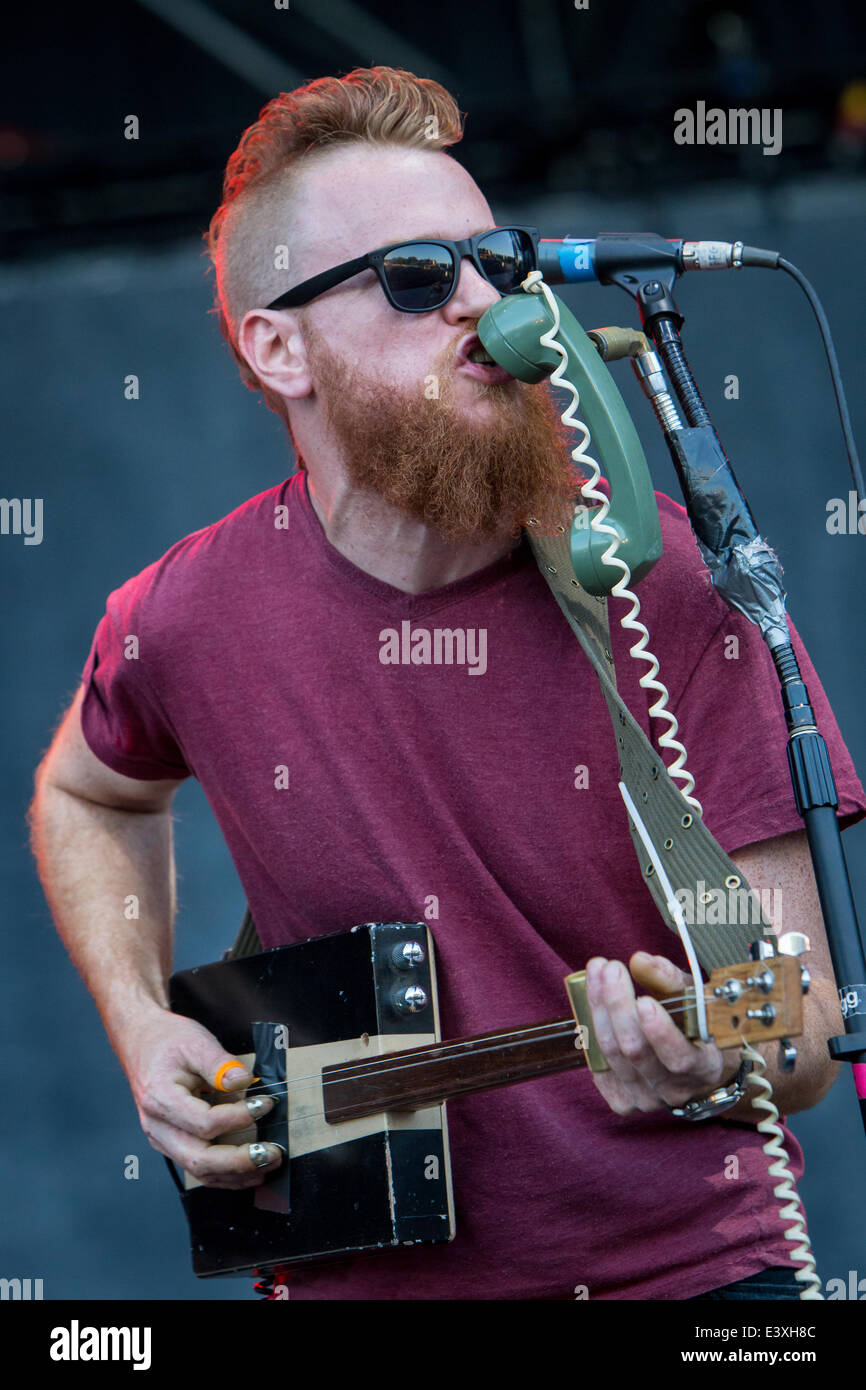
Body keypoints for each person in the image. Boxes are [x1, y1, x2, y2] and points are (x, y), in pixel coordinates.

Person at [30, 66, 866, 1301]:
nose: (486, 304)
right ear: (278, 346)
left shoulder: (669, 587)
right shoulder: (184, 616)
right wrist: (144, 1025)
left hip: (685, 1281)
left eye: (498, 263)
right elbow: (85, 795)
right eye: (420, 278)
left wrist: (710, 1054)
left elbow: (793, 1036)